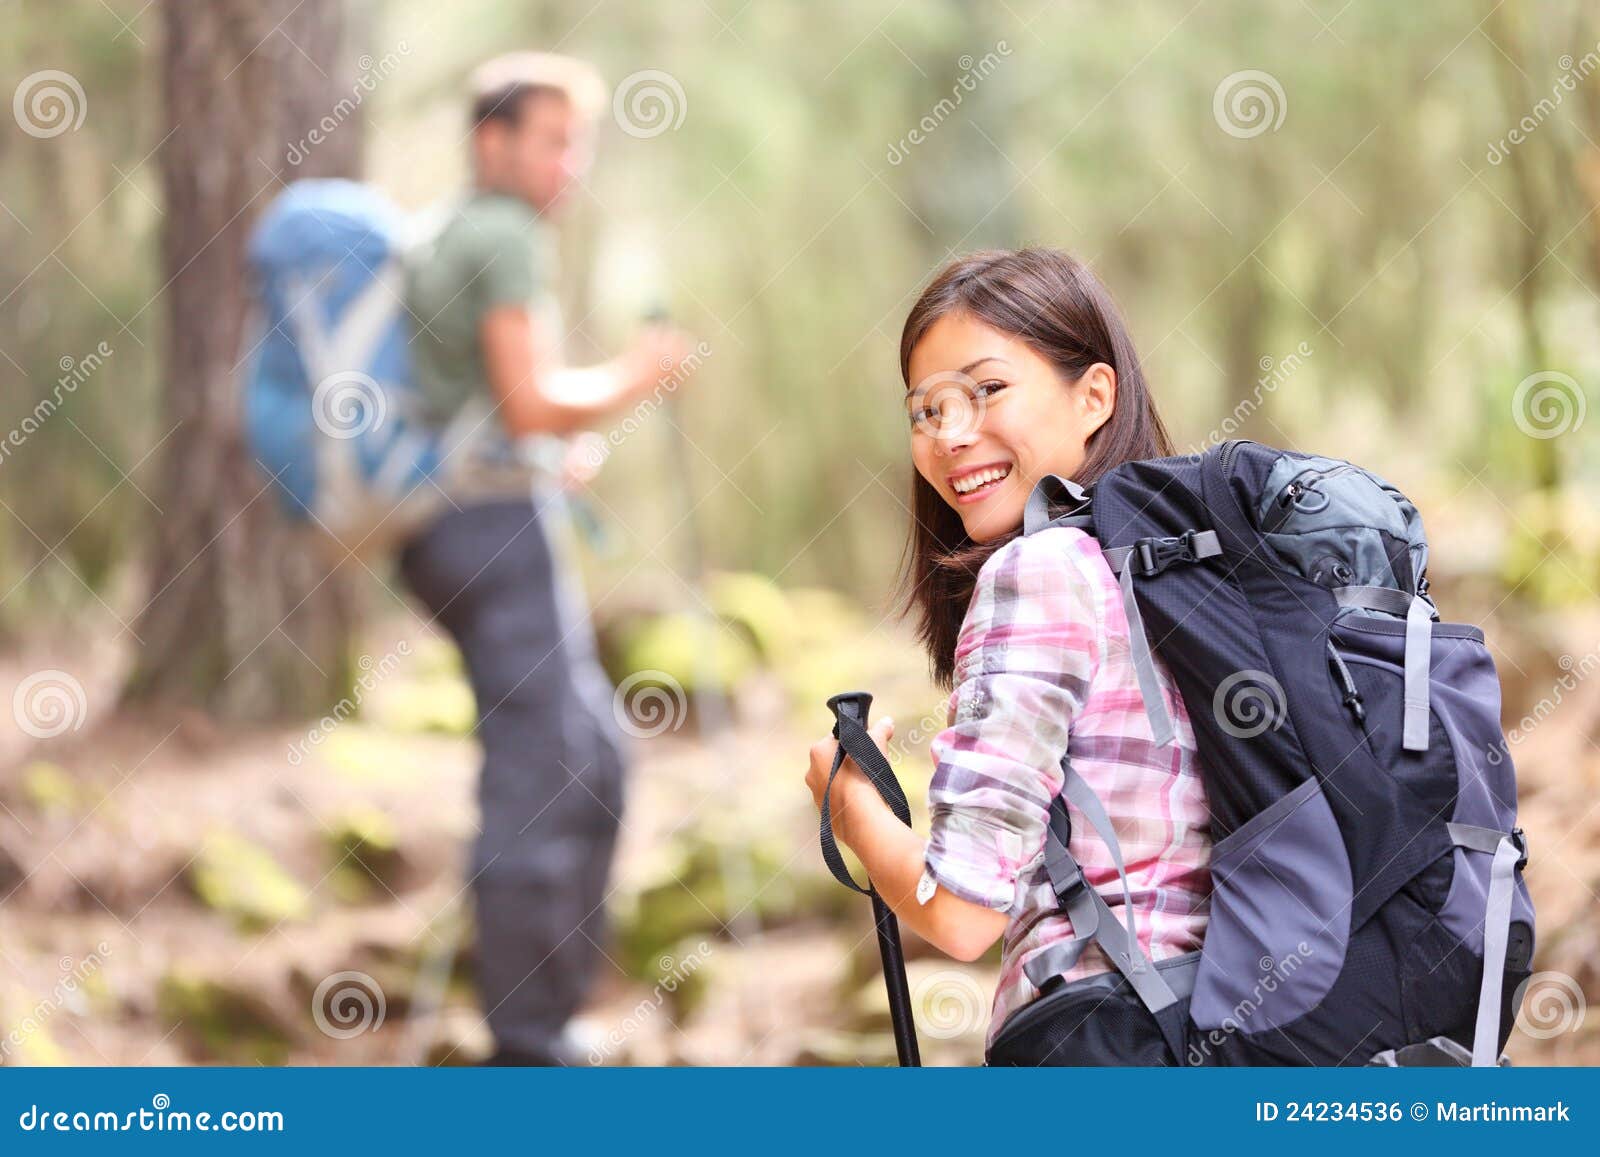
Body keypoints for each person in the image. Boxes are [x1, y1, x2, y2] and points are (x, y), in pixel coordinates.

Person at [803, 248, 1212, 1065]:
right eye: (927, 409)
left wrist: (849, 806)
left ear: (1094, 395)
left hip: (1107, 1041)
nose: (952, 435)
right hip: (1210, 1019)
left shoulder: (1043, 570)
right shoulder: (1168, 567)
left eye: (988, 390)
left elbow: (959, 914)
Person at [399, 52, 694, 1066]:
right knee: (545, 763)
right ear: (493, 139)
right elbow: (528, 395)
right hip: (489, 532)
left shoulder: (452, 231)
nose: (570, 164)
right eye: (553, 140)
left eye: (580, 144)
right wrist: (638, 373)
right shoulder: (503, 232)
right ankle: (528, 1039)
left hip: (464, 520)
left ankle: (552, 1012)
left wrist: (539, 451)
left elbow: (485, 401)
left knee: (595, 753)